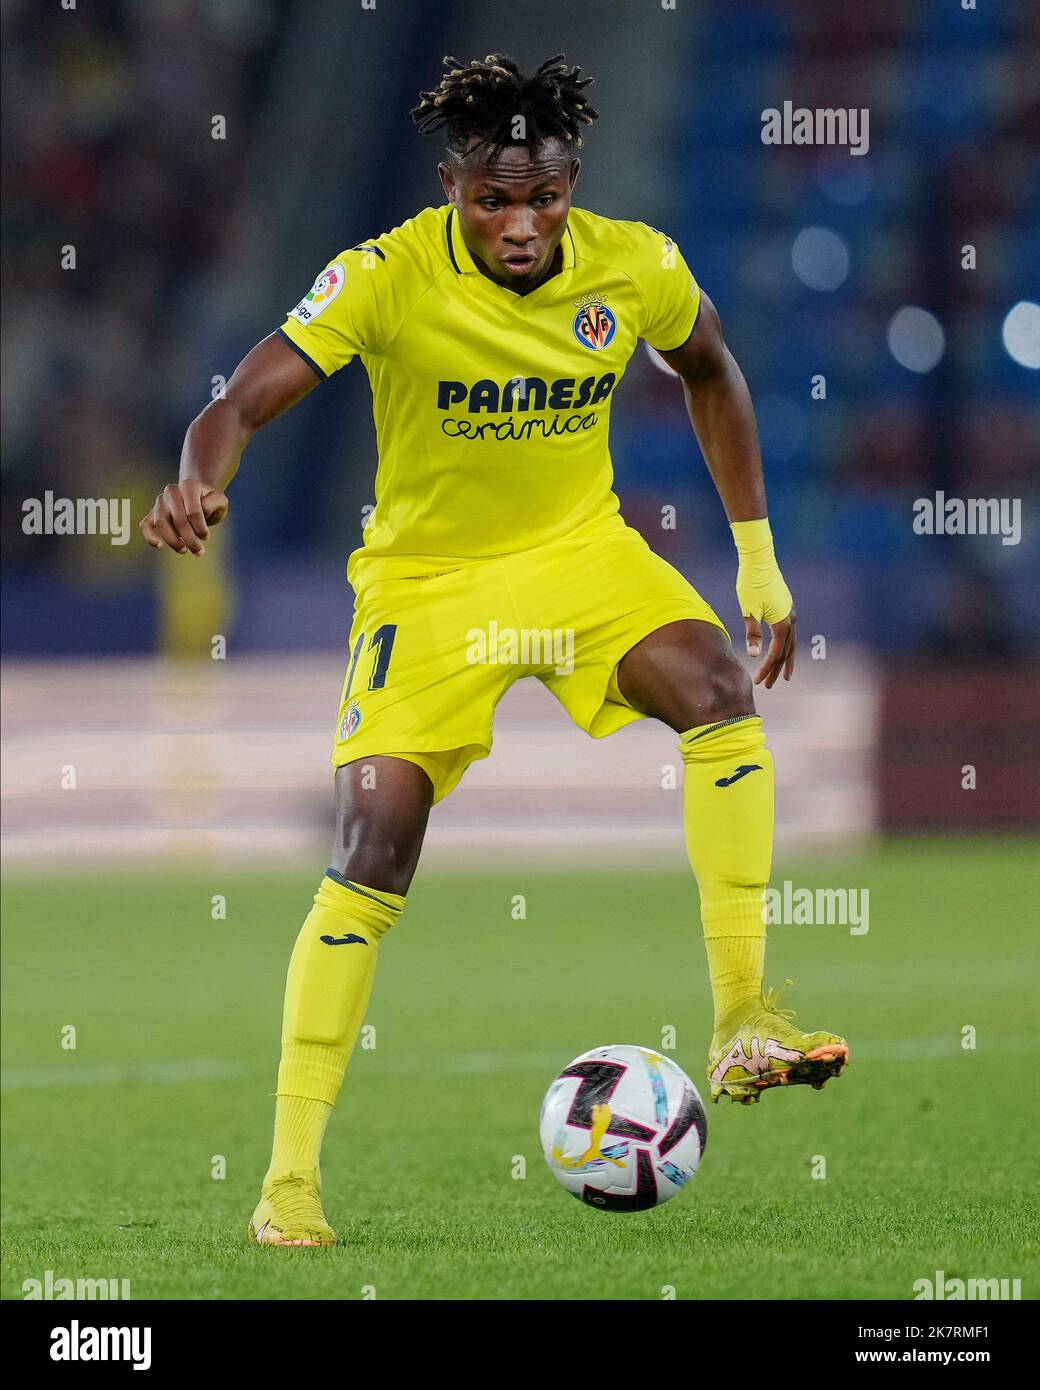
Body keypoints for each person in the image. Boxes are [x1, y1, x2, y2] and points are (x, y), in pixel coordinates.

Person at [140, 53, 848, 1248]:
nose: (520, 226)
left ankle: (740, 1018)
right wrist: (195, 483)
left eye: (543, 198)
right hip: (425, 587)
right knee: (372, 846)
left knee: (718, 692)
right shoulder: (381, 273)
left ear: (572, 184)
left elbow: (711, 370)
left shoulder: (637, 263)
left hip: (581, 556)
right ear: (451, 186)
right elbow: (241, 401)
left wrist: (757, 562)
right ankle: (288, 1183)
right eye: (490, 199)